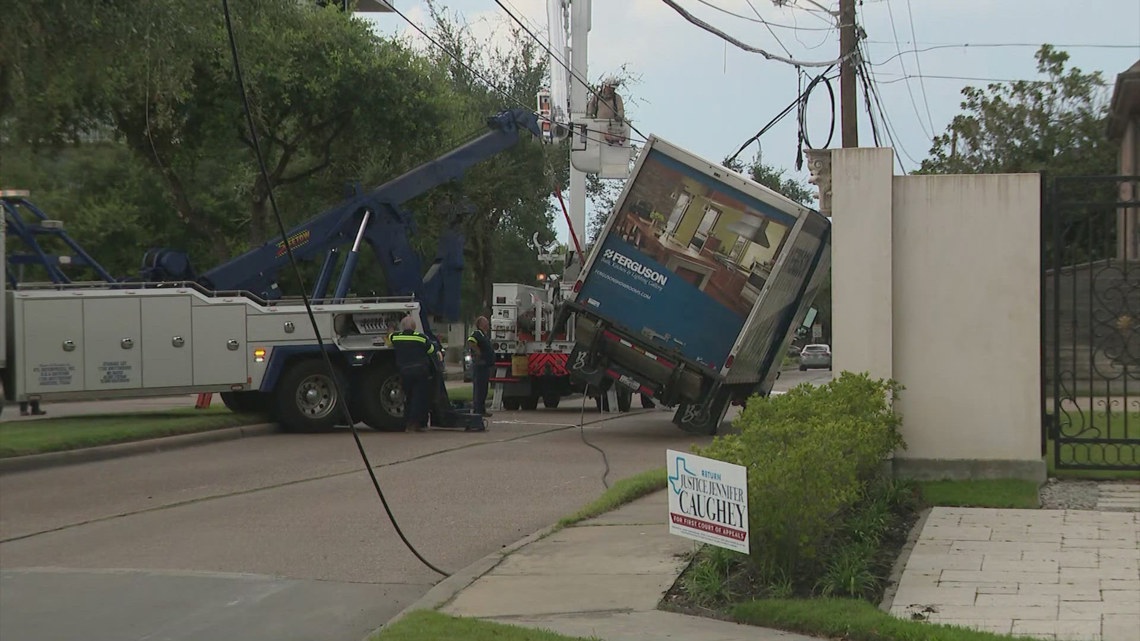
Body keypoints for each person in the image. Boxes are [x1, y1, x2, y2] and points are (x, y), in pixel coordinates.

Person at [388, 315, 436, 432]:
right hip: (420, 371)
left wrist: (390, 329)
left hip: (405, 372)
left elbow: (389, 340)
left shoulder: (396, 337)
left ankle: (407, 423)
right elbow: (431, 350)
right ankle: (415, 423)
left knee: (408, 397)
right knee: (418, 398)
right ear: (414, 327)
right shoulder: (421, 338)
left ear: (402, 327)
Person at [467, 316, 495, 417]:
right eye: (486, 323)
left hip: (485, 366)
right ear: (480, 324)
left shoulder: (484, 335)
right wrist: (478, 353)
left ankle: (482, 409)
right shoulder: (477, 333)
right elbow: (471, 341)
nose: (488, 325)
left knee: (484, 389)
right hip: (480, 366)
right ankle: (477, 410)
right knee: (479, 388)